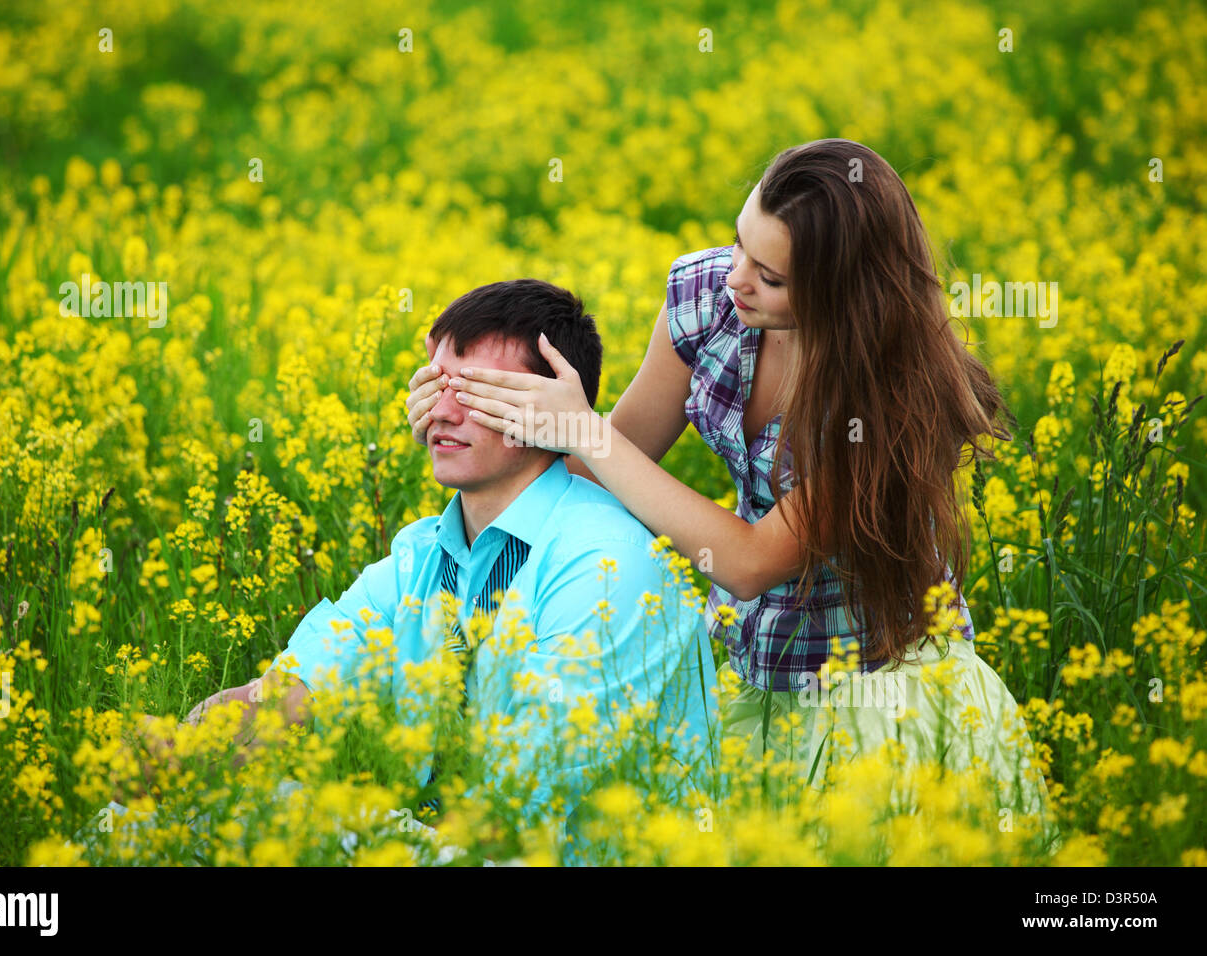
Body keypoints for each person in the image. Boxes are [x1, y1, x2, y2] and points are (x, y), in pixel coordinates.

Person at [405, 139, 1058, 848]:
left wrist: (584, 432)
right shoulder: (708, 303)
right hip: (752, 675)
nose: (737, 279)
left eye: (771, 277)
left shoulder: (886, 397)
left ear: (840, 292)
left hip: (877, 701)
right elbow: (604, 472)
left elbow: (749, 563)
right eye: (742, 243)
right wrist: (462, 421)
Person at [112, 278, 718, 865]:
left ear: (553, 409)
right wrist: (189, 747)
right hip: (447, 841)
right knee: (144, 823)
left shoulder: (605, 563)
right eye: (437, 386)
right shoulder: (421, 557)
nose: (444, 414)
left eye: (479, 392)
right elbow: (288, 698)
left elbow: (533, 800)